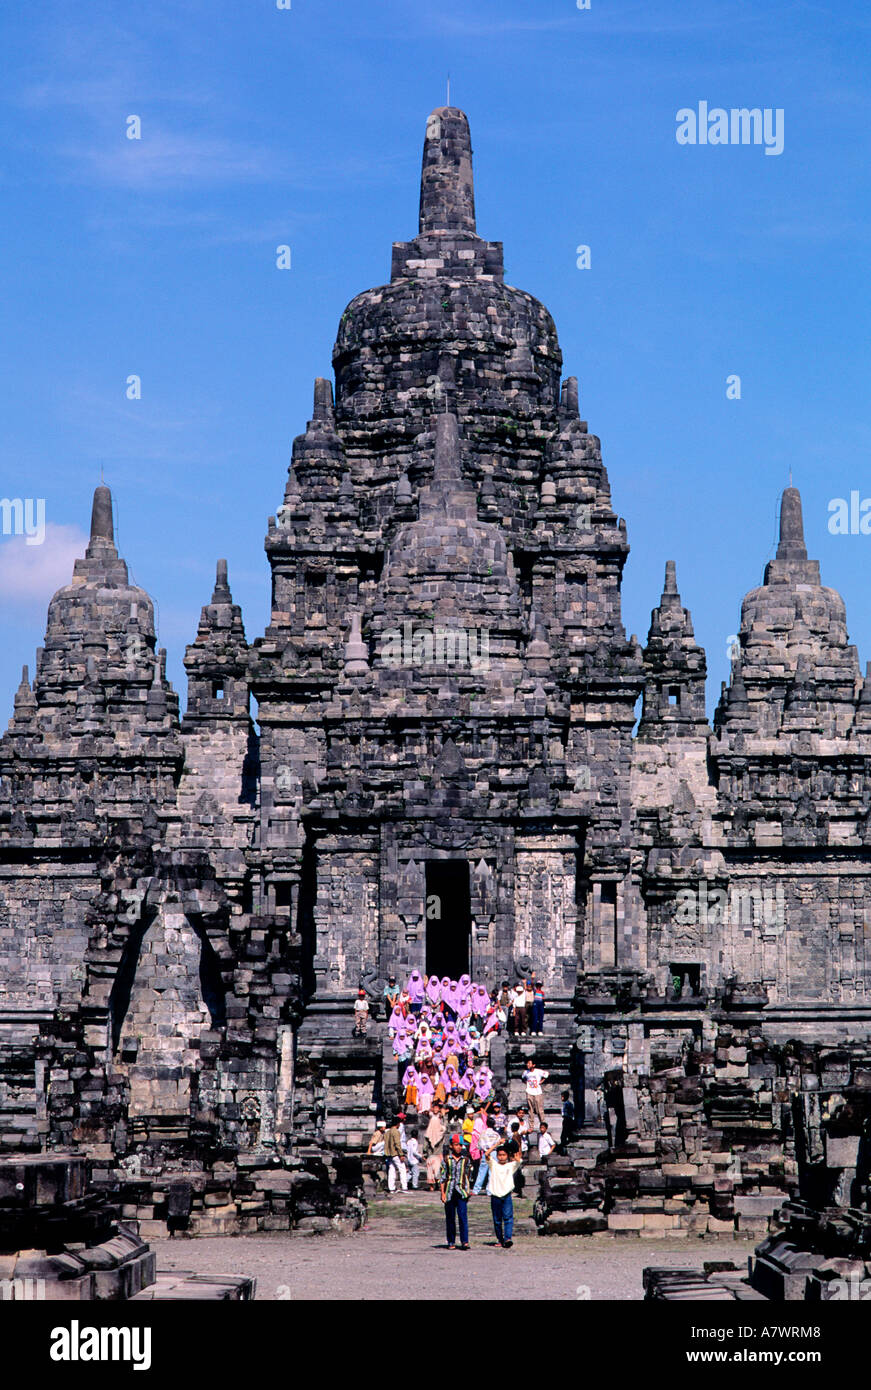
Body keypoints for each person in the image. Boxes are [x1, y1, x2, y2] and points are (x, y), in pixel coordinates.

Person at [483, 1142, 522, 1249]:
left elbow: (518, 1159)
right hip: (495, 1195)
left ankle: (508, 1238)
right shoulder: (493, 1164)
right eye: (499, 1155)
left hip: (506, 1195)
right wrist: (497, 1144)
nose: (501, 1157)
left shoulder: (511, 1165)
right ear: (497, 1156)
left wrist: (514, 1149)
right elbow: (486, 1154)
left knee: (508, 1218)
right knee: (497, 1220)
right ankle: (500, 1239)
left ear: (507, 1156)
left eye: (504, 1155)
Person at [438, 1133, 473, 1250]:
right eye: (456, 1145)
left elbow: (468, 1176)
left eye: (460, 1145)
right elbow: (442, 1178)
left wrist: (468, 1190)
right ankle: (451, 1241)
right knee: (450, 1218)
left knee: (463, 1217)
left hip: (461, 1191)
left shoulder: (466, 1160)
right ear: (451, 1146)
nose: (459, 1147)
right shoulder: (446, 1160)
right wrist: (442, 1193)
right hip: (449, 1191)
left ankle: (465, 1241)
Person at [424, 1103, 447, 1190]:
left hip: (431, 1154)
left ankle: (431, 1186)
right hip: (438, 1154)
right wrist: (444, 1117)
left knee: (431, 1169)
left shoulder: (428, 1132)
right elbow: (445, 1126)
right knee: (438, 1169)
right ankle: (438, 1185)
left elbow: (425, 1144)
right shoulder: (441, 1131)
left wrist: (425, 1153)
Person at [384, 1118, 408, 1193]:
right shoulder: (396, 1132)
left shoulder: (387, 1132)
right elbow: (397, 1144)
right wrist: (401, 1154)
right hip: (396, 1153)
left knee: (392, 1170)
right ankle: (404, 1187)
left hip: (389, 1154)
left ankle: (391, 1187)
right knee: (402, 1169)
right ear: (397, 1124)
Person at [524, 1059, 549, 1125]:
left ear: (533, 1065)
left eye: (529, 1063)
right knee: (530, 1110)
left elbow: (546, 1074)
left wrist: (541, 1082)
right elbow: (523, 1078)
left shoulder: (538, 1071)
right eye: (527, 1063)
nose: (527, 1064)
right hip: (529, 1092)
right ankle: (531, 1125)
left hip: (537, 1092)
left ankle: (543, 1124)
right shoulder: (526, 1072)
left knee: (539, 1110)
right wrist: (526, 1083)